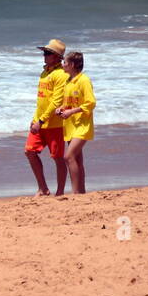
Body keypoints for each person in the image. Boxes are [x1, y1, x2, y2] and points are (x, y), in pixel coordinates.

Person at [25, 38, 69, 196]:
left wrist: (42, 120)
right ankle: (42, 188)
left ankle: (60, 191)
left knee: (58, 158)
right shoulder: (44, 72)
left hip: (55, 124)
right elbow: (41, 100)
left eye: (48, 53)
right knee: (30, 151)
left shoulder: (61, 74)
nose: (44, 55)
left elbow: (56, 101)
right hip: (40, 121)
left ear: (58, 57)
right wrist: (35, 119)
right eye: (44, 52)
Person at [55, 51, 95, 194]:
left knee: (68, 156)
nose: (62, 65)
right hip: (71, 126)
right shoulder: (68, 81)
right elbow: (69, 103)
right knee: (77, 159)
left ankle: (75, 192)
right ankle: (82, 192)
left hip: (83, 125)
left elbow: (90, 103)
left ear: (72, 65)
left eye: (65, 62)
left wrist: (71, 112)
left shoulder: (84, 80)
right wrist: (61, 109)